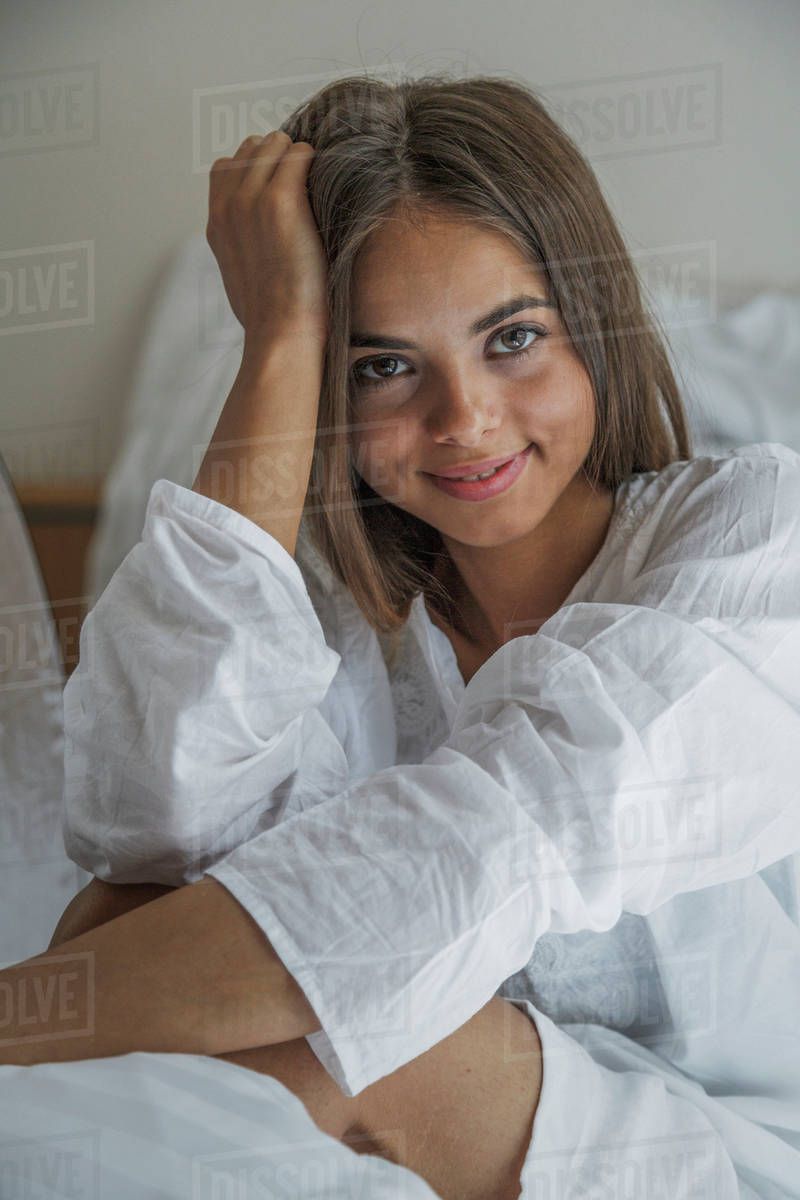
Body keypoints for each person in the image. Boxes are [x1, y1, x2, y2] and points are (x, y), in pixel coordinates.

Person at [2, 73, 800, 1199]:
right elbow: (150, 838)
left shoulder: (758, 539)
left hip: (717, 1127)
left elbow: (483, 844)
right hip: (455, 1080)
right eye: (383, 365)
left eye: (512, 338)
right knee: (127, 912)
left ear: (595, 328)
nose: (463, 419)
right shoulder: (339, 617)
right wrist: (277, 336)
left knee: (341, 1043)